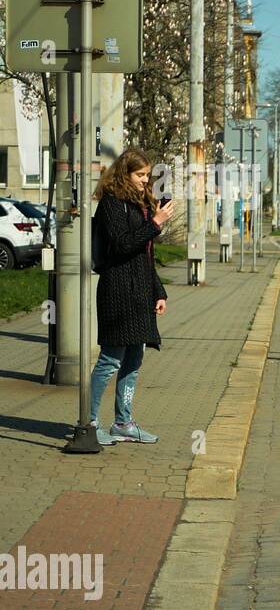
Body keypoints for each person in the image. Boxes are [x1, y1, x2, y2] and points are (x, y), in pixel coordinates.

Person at [88, 147, 174, 446]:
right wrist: (155, 223)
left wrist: (158, 291)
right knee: (110, 359)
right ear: (125, 173)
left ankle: (123, 423)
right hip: (118, 292)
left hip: (140, 293)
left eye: (148, 175)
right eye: (140, 175)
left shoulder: (139, 203)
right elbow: (123, 246)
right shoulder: (112, 203)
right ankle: (89, 422)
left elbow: (145, 255)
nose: (145, 180)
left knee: (134, 359)